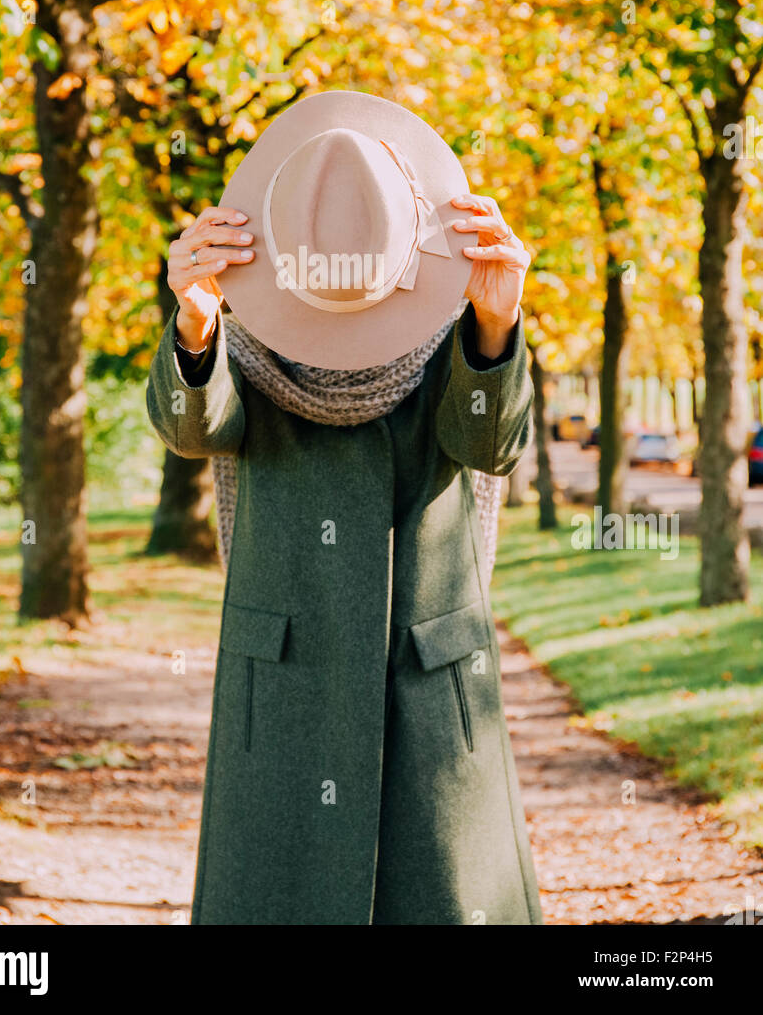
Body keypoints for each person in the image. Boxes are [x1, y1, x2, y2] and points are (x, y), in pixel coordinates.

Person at [147, 91, 542, 925]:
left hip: (428, 676)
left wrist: (498, 329)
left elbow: (489, 447)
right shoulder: (239, 324)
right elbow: (193, 431)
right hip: (284, 677)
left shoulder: (454, 317)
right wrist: (192, 325)